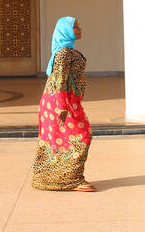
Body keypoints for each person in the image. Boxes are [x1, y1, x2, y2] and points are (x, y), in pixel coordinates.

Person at [31, 15, 96, 191]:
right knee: (82, 134)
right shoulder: (64, 53)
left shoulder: (66, 50)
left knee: (60, 139)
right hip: (60, 102)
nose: (79, 29)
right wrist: (62, 106)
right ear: (66, 30)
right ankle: (72, 180)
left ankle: (53, 179)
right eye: (75, 27)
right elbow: (60, 80)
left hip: (65, 100)